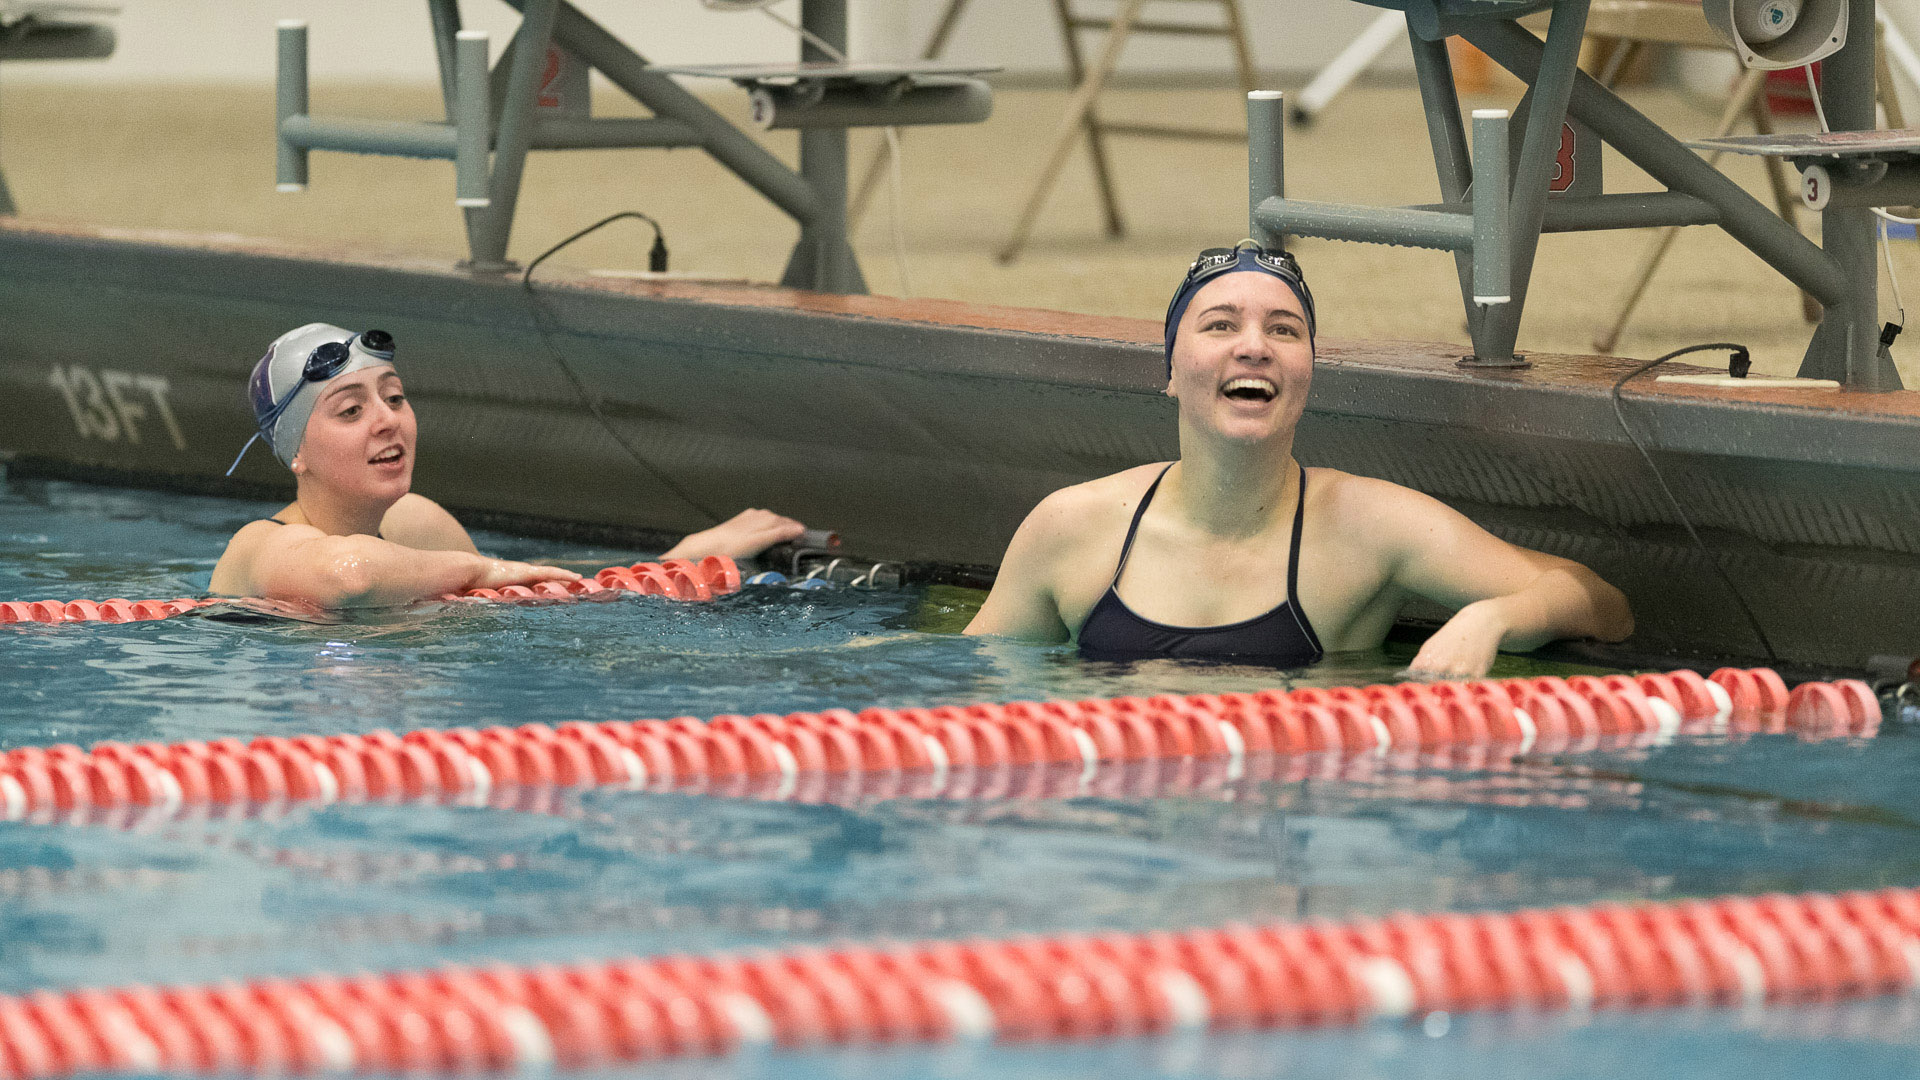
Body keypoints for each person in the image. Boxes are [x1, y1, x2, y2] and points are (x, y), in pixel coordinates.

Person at [964, 243, 1632, 677]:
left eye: (1284, 330)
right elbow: (964, 686)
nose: (1253, 347)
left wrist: (1494, 618)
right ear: (1170, 370)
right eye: (1220, 325)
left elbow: (1602, 604)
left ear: (1307, 373)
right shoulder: (1074, 528)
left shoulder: (1367, 528)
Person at [209, 323, 806, 608]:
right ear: (296, 453)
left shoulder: (417, 525)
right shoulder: (259, 548)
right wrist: (478, 568)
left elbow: (538, 599)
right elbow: (351, 577)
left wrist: (677, 566)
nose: (388, 420)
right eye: (349, 411)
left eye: (394, 398)